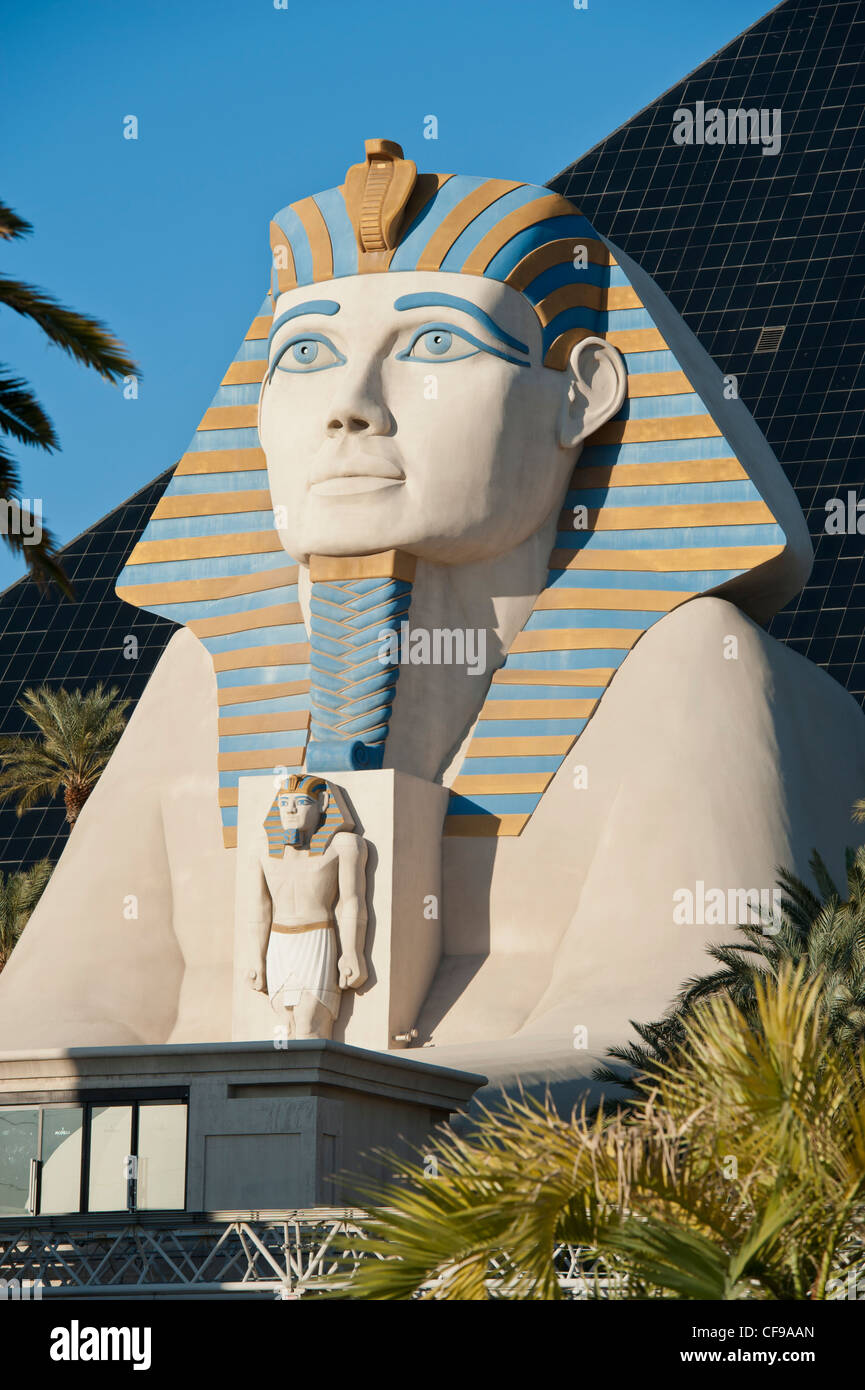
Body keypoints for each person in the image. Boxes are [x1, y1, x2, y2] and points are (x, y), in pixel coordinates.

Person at [0, 140, 862, 1087]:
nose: (351, 407)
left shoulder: (692, 666)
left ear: (583, 396)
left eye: (434, 343)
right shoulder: (206, 675)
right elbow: (49, 1025)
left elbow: (660, 1045)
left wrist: (316, 1123)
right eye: (305, 354)